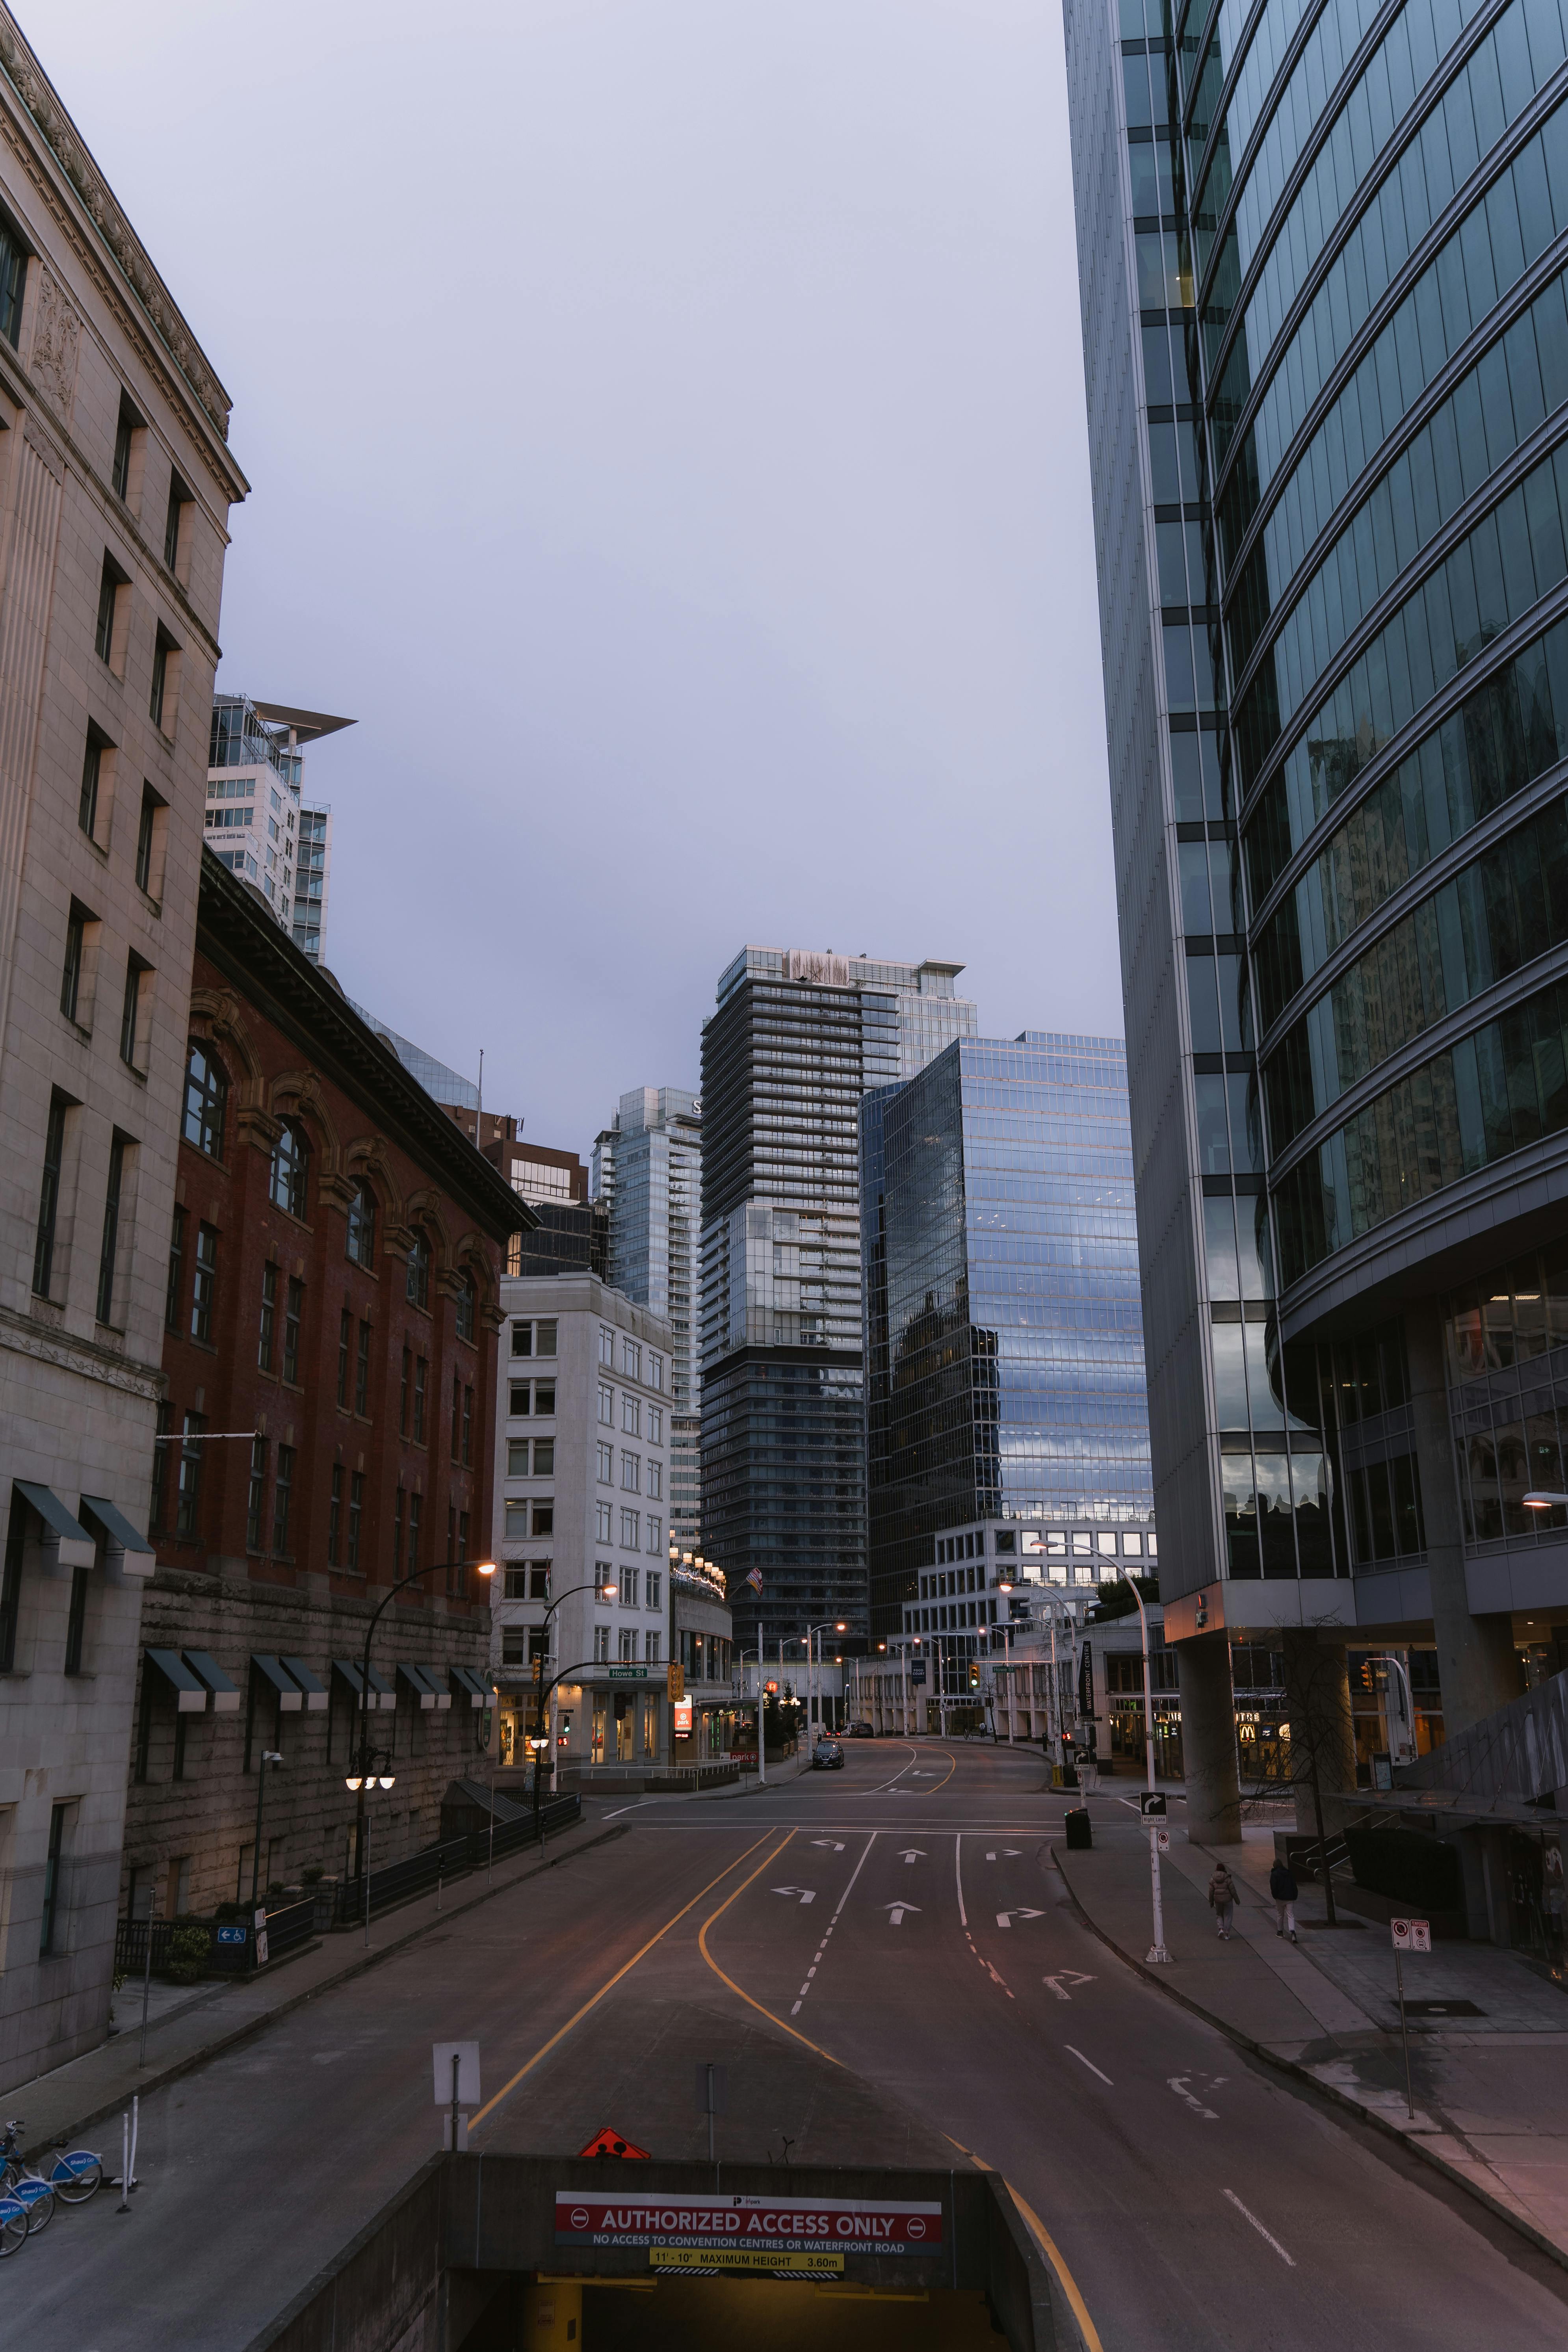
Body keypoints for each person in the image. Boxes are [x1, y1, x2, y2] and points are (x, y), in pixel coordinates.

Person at [1270, 1858, 1299, 1943]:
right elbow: (1294, 1885)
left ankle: (1280, 1932)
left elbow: (1274, 1887)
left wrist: (1275, 1896)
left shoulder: (1275, 1874)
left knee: (1280, 1914)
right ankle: (1293, 1932)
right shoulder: (1289, 1873)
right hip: (1290, 1897)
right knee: (1291, 1915)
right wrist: (1295, 1895)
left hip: (1280, 1898)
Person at [1208, 1861, 1238, 1940]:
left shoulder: (1213, 1879)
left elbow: (1211, 1892)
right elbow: (1233, 1890)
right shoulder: (1228, 1878)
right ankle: (1227, 1934)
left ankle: (1221, 1929)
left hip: (1218, 1901)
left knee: (1219, 1914)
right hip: (1228, 1900)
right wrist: (1237, 1900)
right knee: (1228, 1916)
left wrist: (1211, 1902)